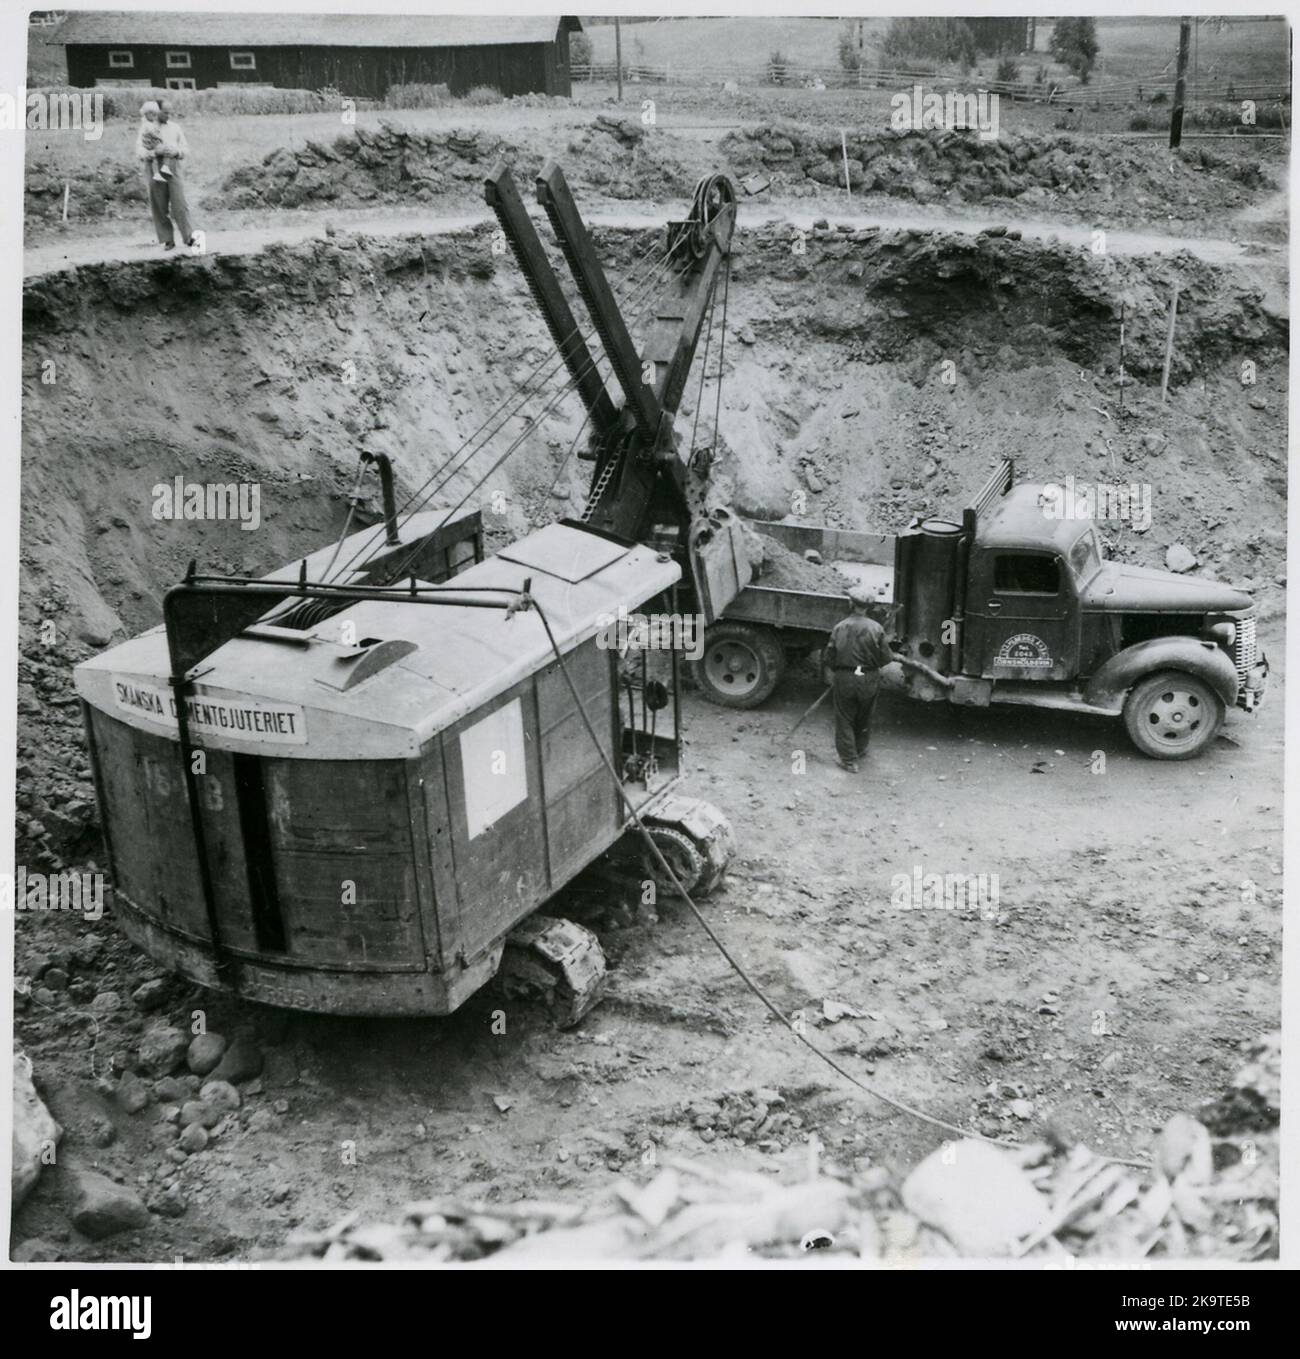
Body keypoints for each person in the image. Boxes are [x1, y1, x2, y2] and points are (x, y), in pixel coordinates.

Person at [822, 586, 895, 772]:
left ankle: (848, 760)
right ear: (868, 607)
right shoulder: (876, 629)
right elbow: (886, 658)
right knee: (865, 714)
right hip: (869, 677)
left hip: (846, 677)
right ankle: (860, 750)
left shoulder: (840, 627)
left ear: (851, 604)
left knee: (845, 717)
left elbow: (829, 657)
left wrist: (836, 671)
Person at [136, 99, 200, 254]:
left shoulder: (175, 128)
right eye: (165, 112)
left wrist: (177, 152)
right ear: (157, 111)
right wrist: (152, 153)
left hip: (173, 166)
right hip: (154, 167)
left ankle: (188, 236)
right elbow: (139, 151)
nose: (169, 115)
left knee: (180, 203)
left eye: (170, 112)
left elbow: (185, 148)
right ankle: (167, 239)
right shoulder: (146, 128)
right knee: (159, 204)